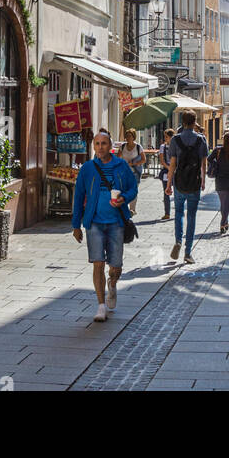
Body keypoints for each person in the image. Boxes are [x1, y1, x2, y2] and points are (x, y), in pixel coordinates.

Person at [71, 130, 138, 322]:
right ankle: (101, 306)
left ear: (111, 146)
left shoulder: (121, 165)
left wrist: (123, 198)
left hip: (116, 222)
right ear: (93, 146)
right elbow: (79, 197)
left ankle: (113, 283)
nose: (100, 147)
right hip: (94, 223)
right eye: (97, 144)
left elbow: (133, 188)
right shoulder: (87, 168)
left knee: (115, 265)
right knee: (98, 263)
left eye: (104, 144)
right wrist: (76, 224)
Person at [167, 110, 208, 264]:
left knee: (178, 213)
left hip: (179, 183)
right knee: (192, 216)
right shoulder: (201, 140)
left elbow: (172, 164)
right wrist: (203, 181)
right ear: (194, 122)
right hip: (194, 183)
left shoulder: (175, 140)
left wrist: (168, 184)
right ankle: (188, 252)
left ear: (182, 122)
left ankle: (178, 240)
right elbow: (204, 163)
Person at [208, 133, 229, 232]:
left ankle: (225, 222)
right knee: (226, 204)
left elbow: (209, 159)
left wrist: (216, 164)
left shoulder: (217, 150)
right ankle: (223, 223)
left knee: (223, 203)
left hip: (220, 180)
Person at [118, 127, 146, 213]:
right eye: (127, 136)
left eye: (130, 136)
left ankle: (132, 209)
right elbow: (117, 159)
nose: (128, 138)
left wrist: (133, 163)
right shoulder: (122, 147)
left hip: (135, 172)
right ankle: (125, 208)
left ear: (133, 137)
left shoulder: (138, 147)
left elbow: (143, 159)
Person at [158, 128, 173, 218]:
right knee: (166, 192)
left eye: (167, 137)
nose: (165, 138)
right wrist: (169, 168)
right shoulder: (162, 147)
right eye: (165, 137)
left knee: (178, 192)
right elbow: (162, 161)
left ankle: (179, 212)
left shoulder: (176, 146)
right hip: (166, 171)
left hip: (175, 171)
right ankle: (167, 213)